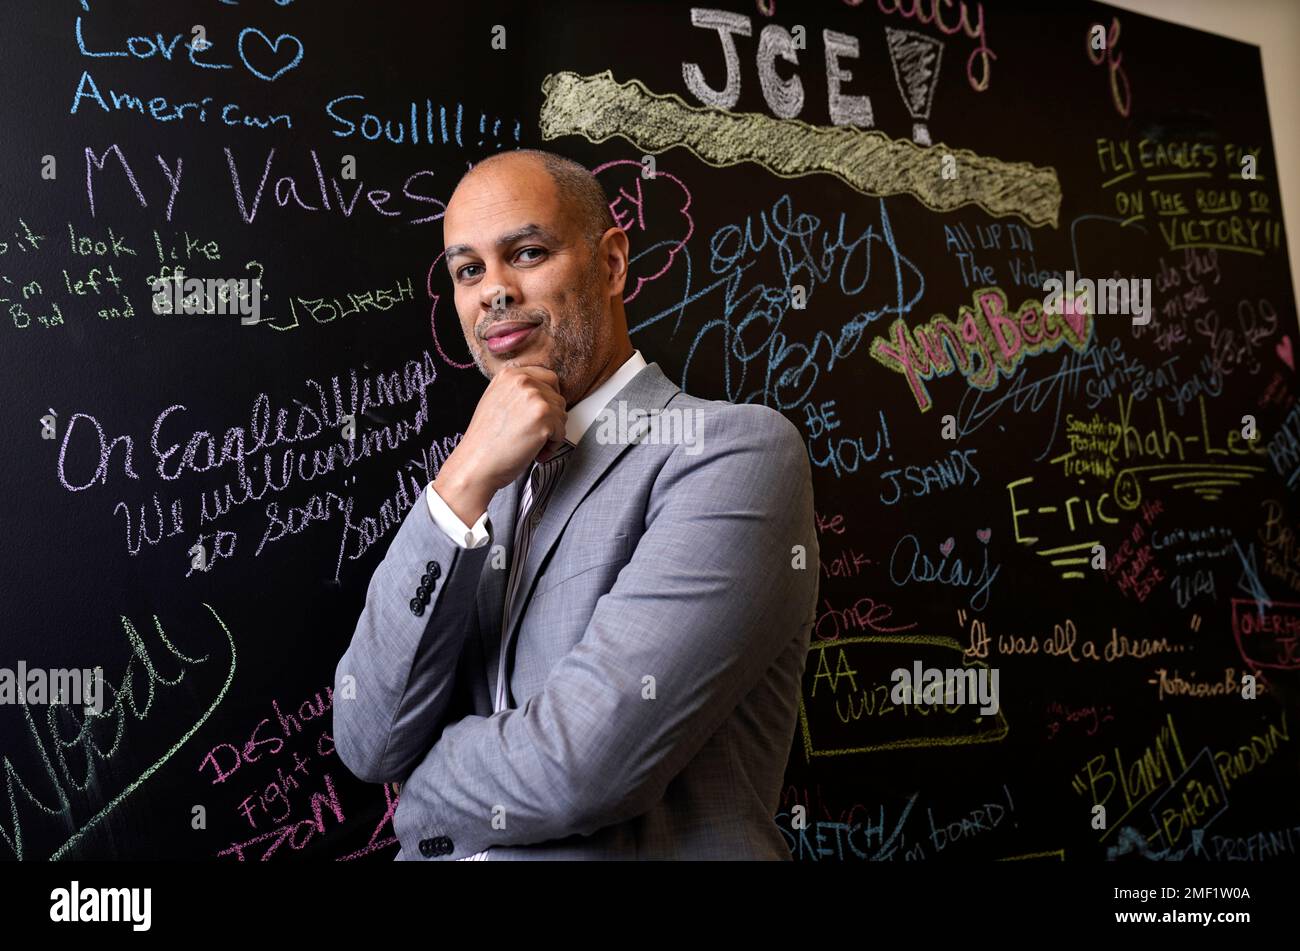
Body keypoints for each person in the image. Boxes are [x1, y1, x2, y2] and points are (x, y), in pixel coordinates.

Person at [332, 148, 819, 859]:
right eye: (468, 270)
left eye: (526, 253)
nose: (493, 291)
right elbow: (370, 740)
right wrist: (463, 478)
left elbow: (581, 766)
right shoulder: (477, 490)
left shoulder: (732, 455)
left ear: (613, 262)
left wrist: (421, 794)